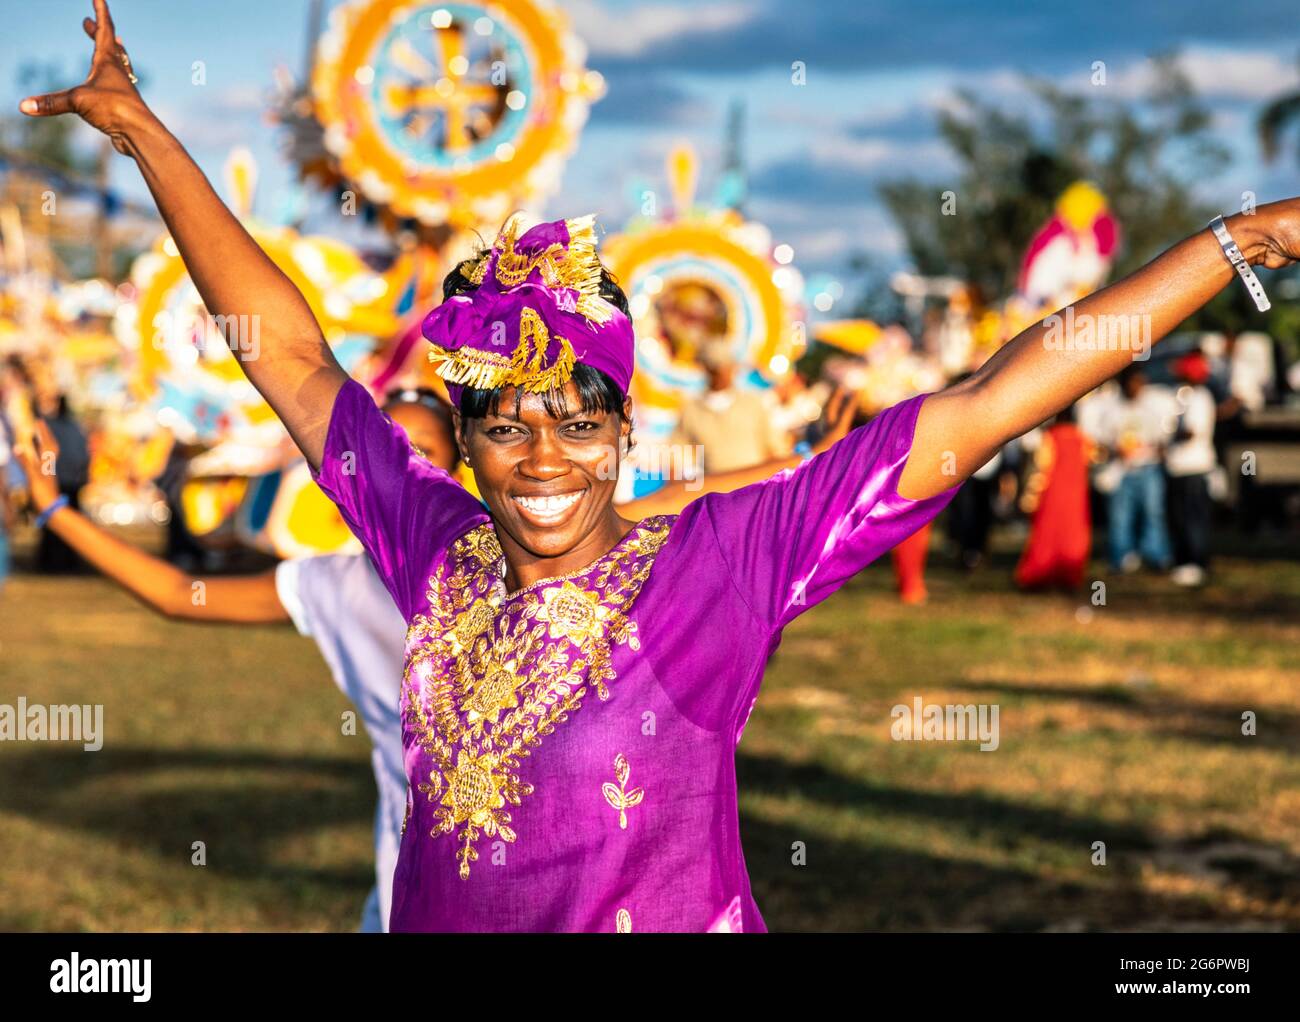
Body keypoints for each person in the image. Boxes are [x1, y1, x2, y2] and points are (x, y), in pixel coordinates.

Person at [32, 0, 1300, 931]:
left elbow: (984, 400)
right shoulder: (430, 548)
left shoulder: (720, 566)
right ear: (461, 440)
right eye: (506, 425)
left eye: (580, 424)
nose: (543, 460)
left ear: (625, 433)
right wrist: (142, 133)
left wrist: (1230, 243)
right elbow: (292, 357)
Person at [1095, 365, 1178, 573]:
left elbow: (1162, 438)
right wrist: (1117, 450)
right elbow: (1104, 441)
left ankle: (1156, 554)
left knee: (1153, 513)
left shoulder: (1152, 408)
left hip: (1148, 468)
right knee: (1120, 516)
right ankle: (1122, 556)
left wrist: (1153, 450)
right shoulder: (1113, 410)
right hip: (1122, 471)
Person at [671, 338, 792, 472]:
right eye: (715, 367)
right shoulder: (691, 409)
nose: (721, 373)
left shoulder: (753, 403)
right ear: (705, 368)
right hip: (713, 487)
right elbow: (676, 455)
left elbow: (776, 449)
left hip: (753, 487)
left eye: (724, 366)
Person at [1014, 403, 1093, 592]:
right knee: (1073, 534)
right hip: (1075, 495)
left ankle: (1038, 574)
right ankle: (1069, 576)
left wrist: (1030, 495)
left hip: (1052, 494)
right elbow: (1092, 460)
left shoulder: (1049, 437)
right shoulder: (1082, 438)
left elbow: (1040, 468)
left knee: (1046, 533)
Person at [1164, 350, 1218, 586]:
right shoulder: (1184, 396)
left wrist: (1169, 431)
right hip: (1179, 468)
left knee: (1193, 519)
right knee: (1179, 518)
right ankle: (1184, 561)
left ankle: (1196, 563)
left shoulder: (1200, 397)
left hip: (1194, 467)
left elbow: (1192, 430)